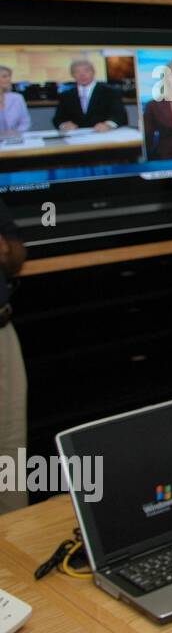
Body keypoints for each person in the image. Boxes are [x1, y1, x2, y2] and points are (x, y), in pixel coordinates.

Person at [0, 197, 28, 514]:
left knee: (9, 453)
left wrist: (6, 250)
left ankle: (15, 549)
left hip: (3, 333)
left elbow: (16, 254)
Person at [53, 60, 128, 131]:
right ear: (72, 75)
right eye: (77, 72)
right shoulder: (66, 95)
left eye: (86, 71)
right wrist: (64, 124)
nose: (82, 75)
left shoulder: (110, 92)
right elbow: (58, 119)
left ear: (93, 72)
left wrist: (108, 124)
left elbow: (120, 116)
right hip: (76, 138)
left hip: (104, 136)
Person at [0, 66, 31, 134]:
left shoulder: (17, 98)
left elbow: (25, 122)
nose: (9, 79)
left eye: (9, 76)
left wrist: (17, 132)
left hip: (13, 140)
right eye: (4, 76)